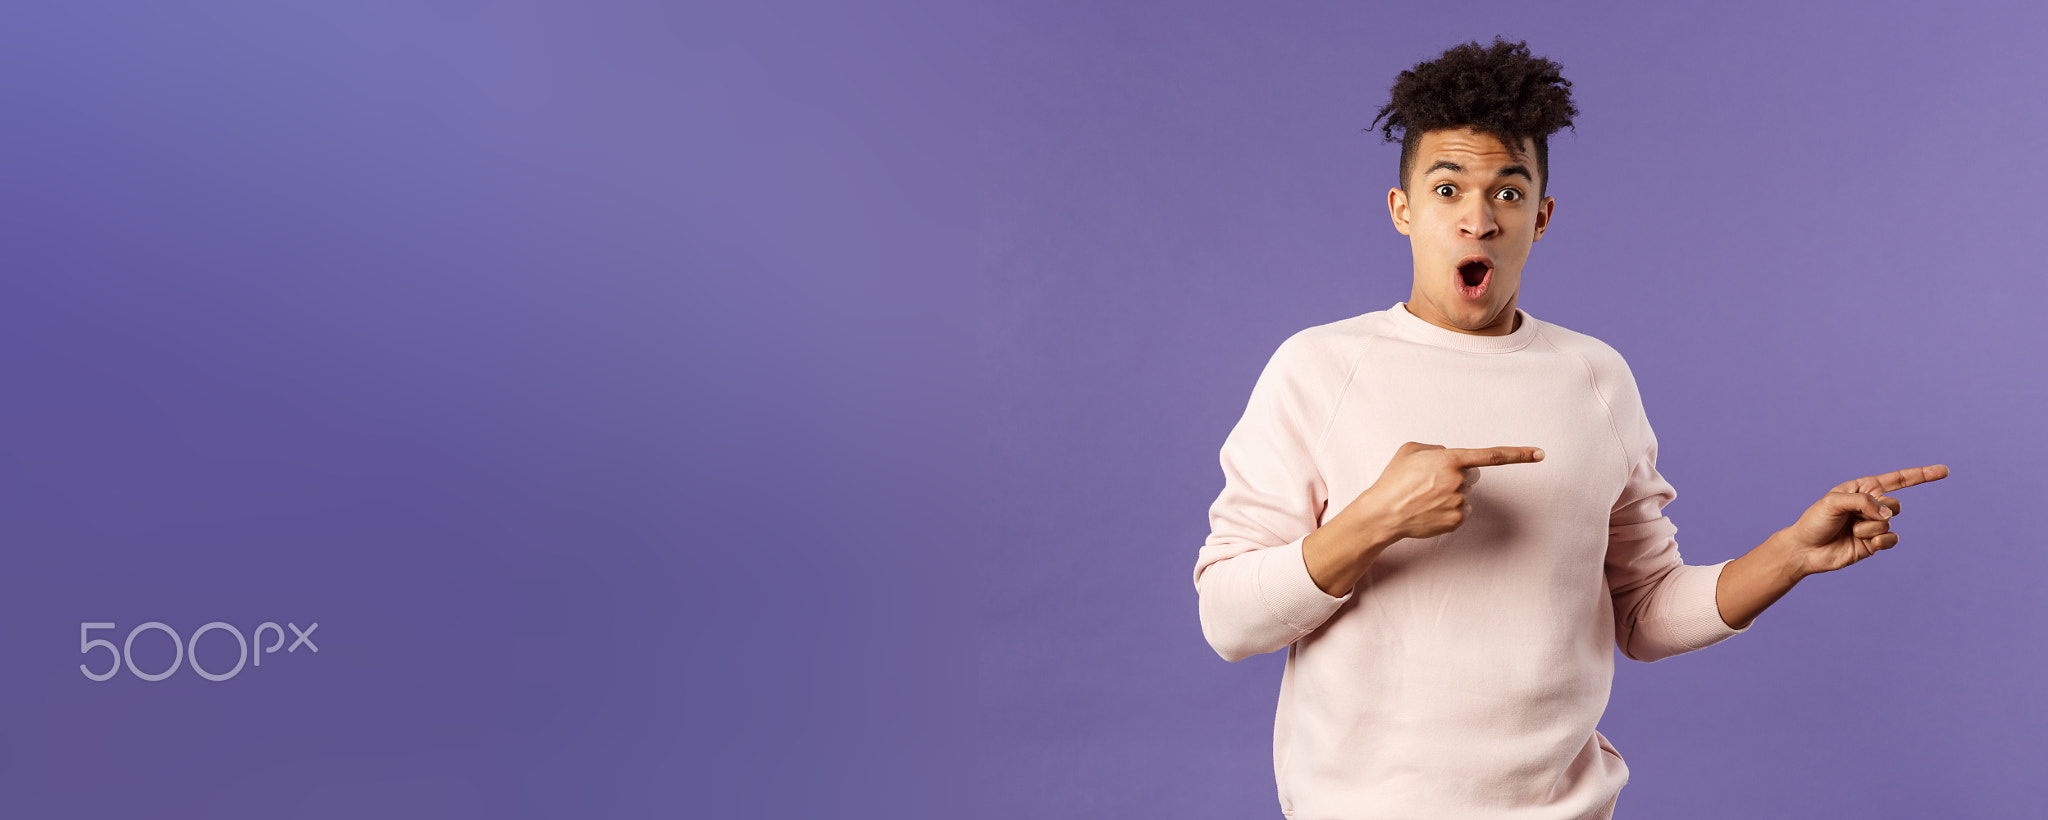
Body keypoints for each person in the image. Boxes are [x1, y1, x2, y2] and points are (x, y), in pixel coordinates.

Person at [1191, 37, 1948, 820]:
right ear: (1402, 209)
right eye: (1447, 190)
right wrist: (1375, 519)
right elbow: (1228, 620)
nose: (1478, 220)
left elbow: (1645, 610)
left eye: (1507, 193)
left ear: (1541, 216)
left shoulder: (1595, 377)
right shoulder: (1318, 369)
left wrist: (1790, 554)